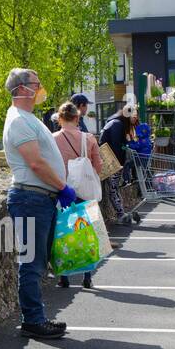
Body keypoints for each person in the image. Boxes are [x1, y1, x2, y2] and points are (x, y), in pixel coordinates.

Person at [2, 68, 77, 340]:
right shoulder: (19, 121)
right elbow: (34, 162)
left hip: (37, 198)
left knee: (36, 260)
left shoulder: (26, 118)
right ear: (23, 88)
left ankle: (36, 317)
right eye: (36, 83)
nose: (40, 87)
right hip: (30, 198)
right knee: (32, 262)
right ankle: (33, 320)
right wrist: (61, 187)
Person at [52, 101, 102, 289]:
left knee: (63, 233)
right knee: (87, 232)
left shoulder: (53, 138)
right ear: (77, 117)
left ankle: (63, 276)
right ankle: (87, 276)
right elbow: (98, 166)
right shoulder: (88, 139)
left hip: (62, 190)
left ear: (60, 118)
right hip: (86, 192)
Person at [99, 103, 138, 221]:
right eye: (134, 116)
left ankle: (120, 212)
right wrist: (120, 164)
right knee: (113, 188)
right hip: (111, 161)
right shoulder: (117, 124)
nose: (136, 118)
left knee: (113, 188)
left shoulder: (117, 123)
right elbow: (116, 146)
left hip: (111, 160)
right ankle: (120, 213)